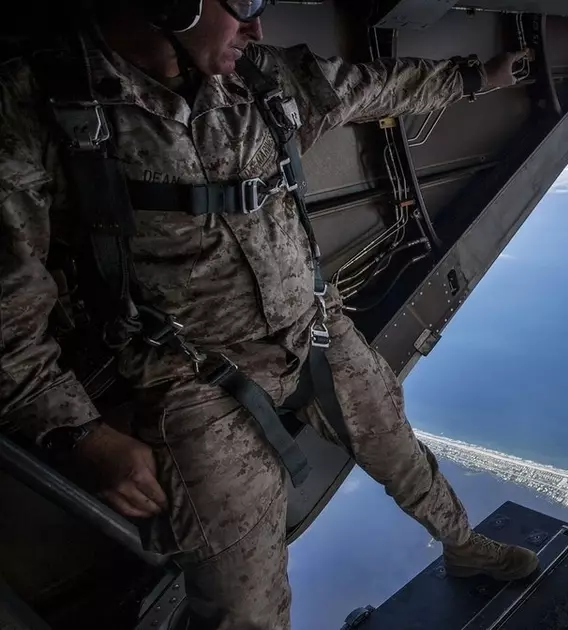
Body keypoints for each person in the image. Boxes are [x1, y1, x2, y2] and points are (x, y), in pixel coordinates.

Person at [0, 0, 537, 627]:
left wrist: (481, 77)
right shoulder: (39, 106)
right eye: (243, 2)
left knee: (398, 449)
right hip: (190, 376)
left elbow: (375, 86)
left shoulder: (259, 78)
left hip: (313, 325)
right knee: (242, 604)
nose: (257, 27)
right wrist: (80, 434)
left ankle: (464, 547)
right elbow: (9, 313)